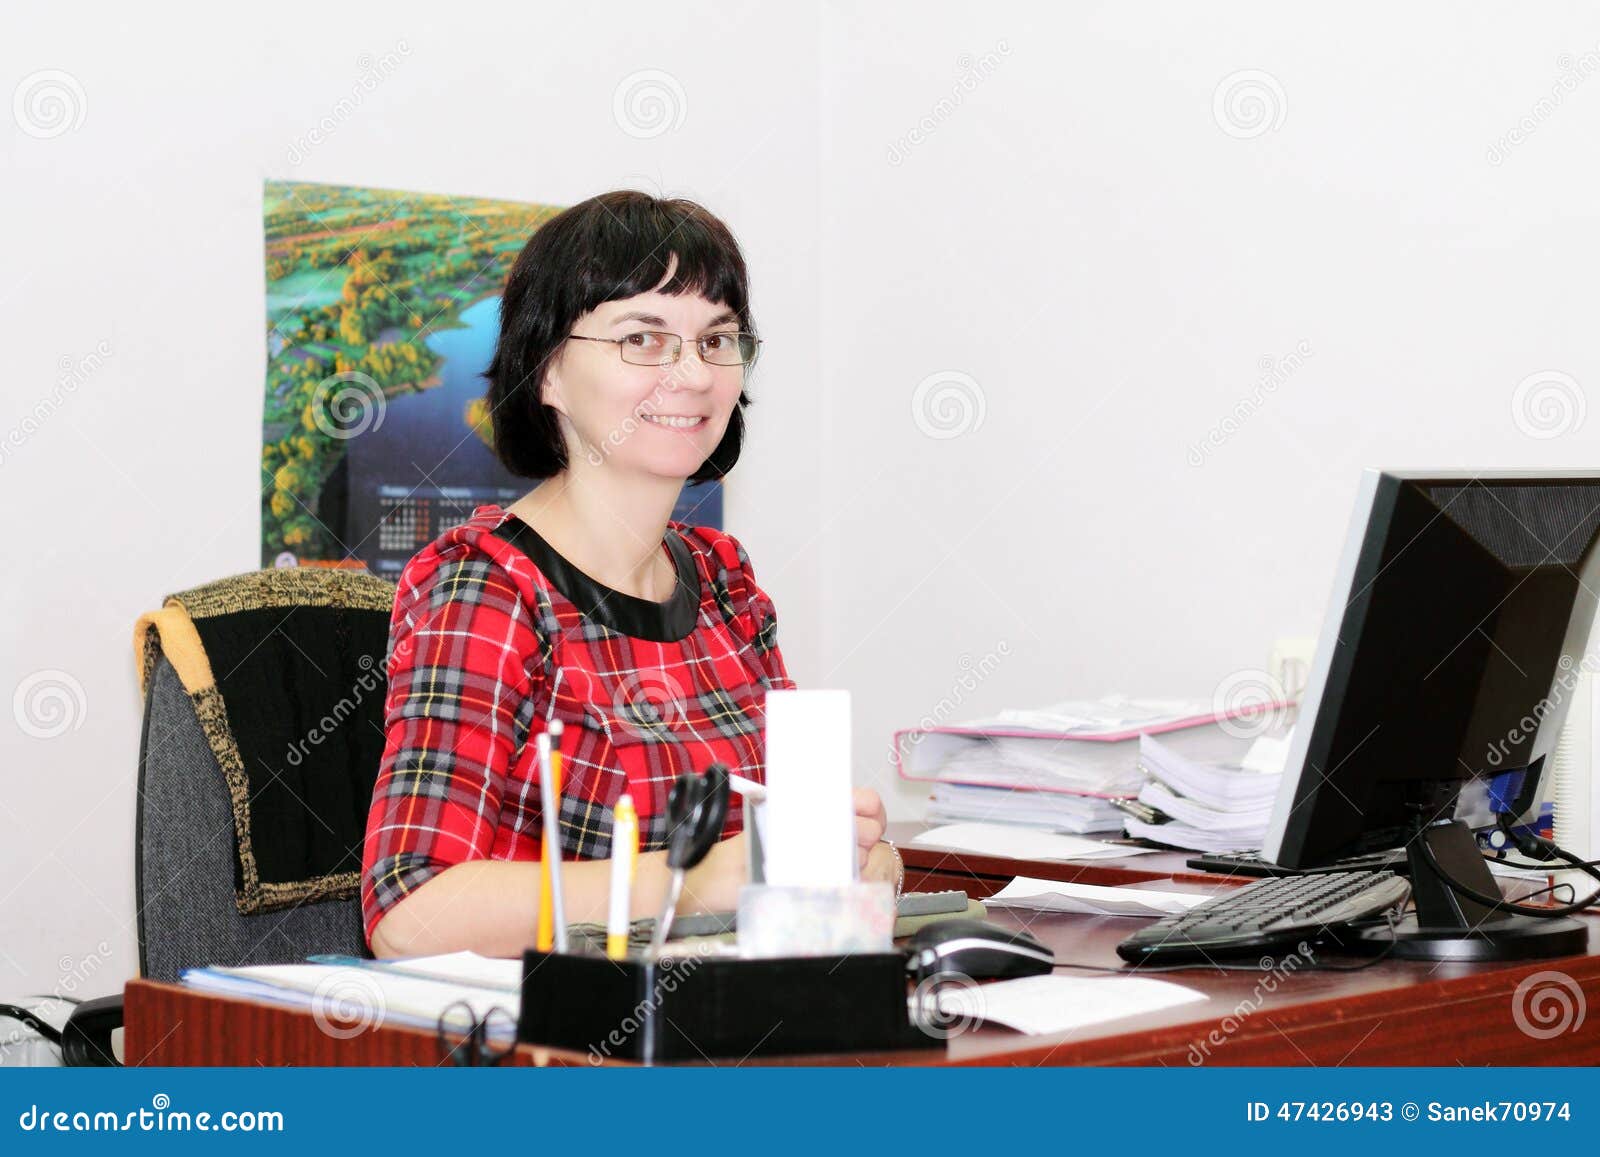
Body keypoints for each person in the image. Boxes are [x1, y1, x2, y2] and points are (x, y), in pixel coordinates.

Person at [361, 190, 897, 958]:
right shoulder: (486, 587)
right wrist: (692, 879)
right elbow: (409, 912)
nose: (691, 373)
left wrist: (861, 857)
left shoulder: (725, 582)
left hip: (734, 1021)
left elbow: (789, 847)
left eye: (716, 339)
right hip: (556, 1051)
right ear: (546, 372)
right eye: (643, 338)